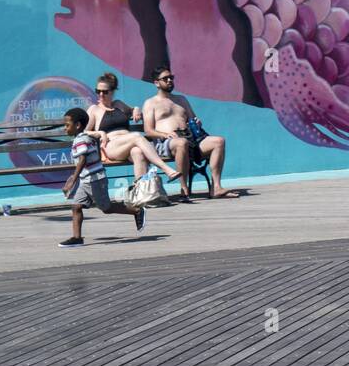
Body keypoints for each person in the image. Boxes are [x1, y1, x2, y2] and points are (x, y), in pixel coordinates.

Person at [141, 65, 238, 201]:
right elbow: (148, 130)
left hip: (190, 138)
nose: (169, 80)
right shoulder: (150, 103)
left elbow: (192, 118)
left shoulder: (181, 99)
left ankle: (216, 187)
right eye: (165, 78)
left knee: (218, 141)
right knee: (181, 143)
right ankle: (183, 188)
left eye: (171, 78)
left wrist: (197, 122)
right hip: (166, 143)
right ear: (156, 83)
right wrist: (164, 134)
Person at [59, 107, 146, 247]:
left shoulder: (82, 140)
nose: (65, 128)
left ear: (77, 126)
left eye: (67, 125)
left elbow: (82, 159)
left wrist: (72, 180)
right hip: (86, 180)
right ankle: (77, 238)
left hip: (96, 180)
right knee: (76, 206)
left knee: (106, 208)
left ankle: (137, 210)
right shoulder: (82, 139)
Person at [85, 72, 179, 183]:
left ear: (112, 92)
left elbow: (133, 109)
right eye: (98, 91)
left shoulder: (118, 104)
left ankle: (142, 192)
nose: (100, 94)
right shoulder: (94, 109)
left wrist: (136, 109)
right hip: (112, 147)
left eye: (105, 92)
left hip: (129, 144)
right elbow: (84, 132)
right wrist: (100, 133)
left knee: (137, 152)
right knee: (137, 136)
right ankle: (166, 169)